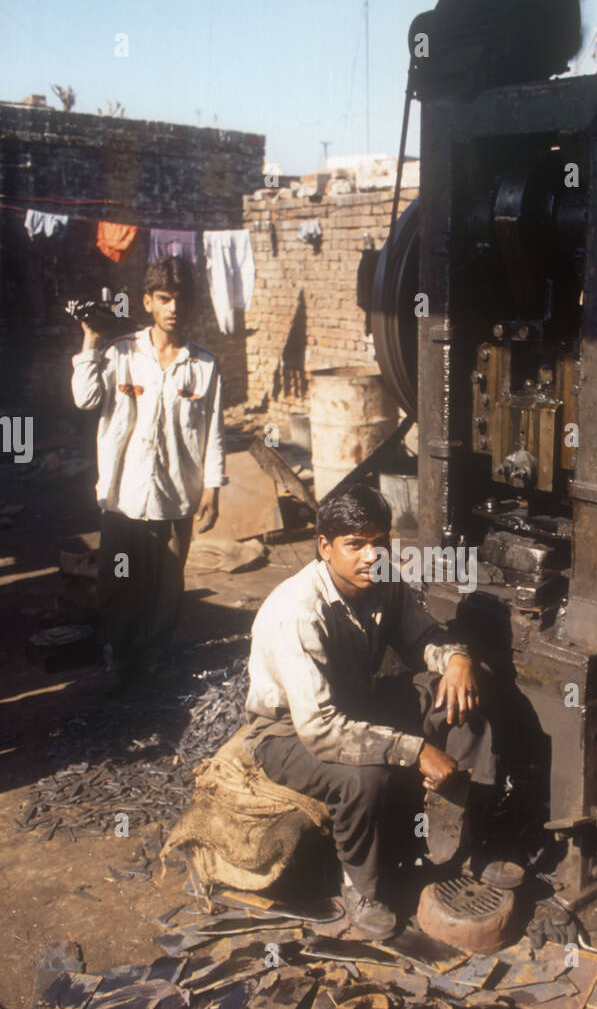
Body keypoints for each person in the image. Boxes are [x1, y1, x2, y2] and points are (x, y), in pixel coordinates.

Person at [244, 484, 498, 938]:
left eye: (379, 542)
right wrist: (416, 750)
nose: (369, 556)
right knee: (363, 778)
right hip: (290, 734)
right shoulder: (298, 613)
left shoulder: (383, 581)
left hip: (357, 705)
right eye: (354, 544)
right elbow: (320, 729)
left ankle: (460, 824)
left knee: (460, 690)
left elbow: (422, 639)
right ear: (325, 547)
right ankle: (362, 886)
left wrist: (456, 659)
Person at [71, 256, 225, 687]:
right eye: (164, 299)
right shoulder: (120, 353)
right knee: (119, 577)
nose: (173, 307)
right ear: (148, 302)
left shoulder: (204, 365)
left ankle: (155, 656)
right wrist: (90, 339)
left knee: (166, 584)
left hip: (177, 496)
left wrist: (213, 487)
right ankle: (118, 655)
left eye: (180, 299)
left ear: (191, 304)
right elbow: (84, 399)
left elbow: (214, 428)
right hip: (124, 499)